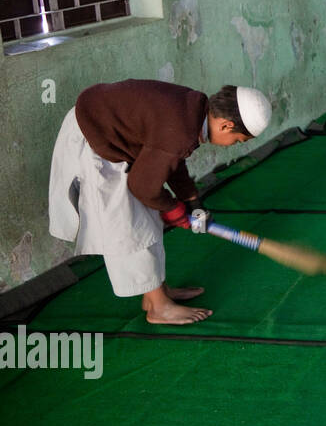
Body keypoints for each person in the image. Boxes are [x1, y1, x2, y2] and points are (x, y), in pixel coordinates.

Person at [48, 81, 271, 324]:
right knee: (130, 226)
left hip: (106, 126)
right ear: (226, 125)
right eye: (238, 140)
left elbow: (173, 158)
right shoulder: (182, 127)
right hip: (93, 137)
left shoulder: (194, 108)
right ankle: (158, 307)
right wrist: (174, 210)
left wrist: (192, 201)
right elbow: (142, 185)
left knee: (147, 217)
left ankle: (158, 292)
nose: (235, 145)